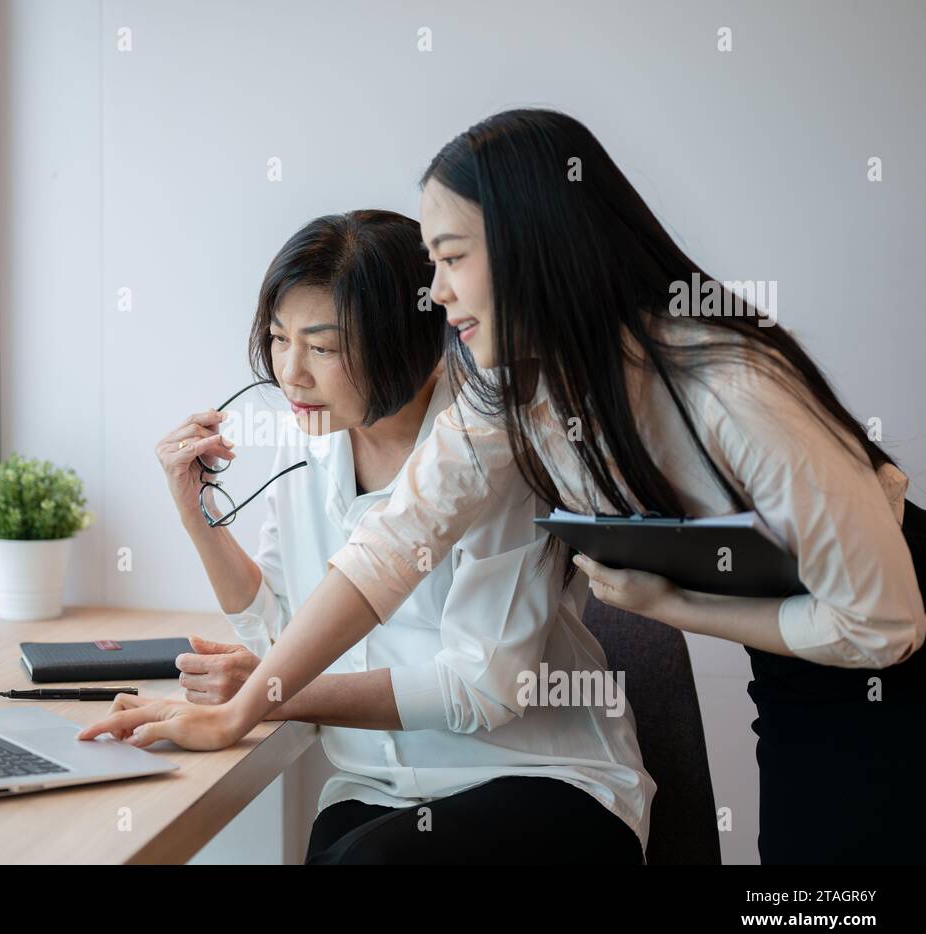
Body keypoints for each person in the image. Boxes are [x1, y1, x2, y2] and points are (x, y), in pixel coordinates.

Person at [80, 111, 925, 864]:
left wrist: (669, 605)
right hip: (791, 637)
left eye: (450, 259)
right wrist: (248, 702)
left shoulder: (732, 391)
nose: (436, 291)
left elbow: (881, 628)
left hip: (889, 621)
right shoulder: (511, 392)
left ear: (533, 251)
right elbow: (391, 548)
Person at [141, 210, 653, 863]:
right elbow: (279, 635)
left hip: (537, 778)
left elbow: (484, 686)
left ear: (411, 339)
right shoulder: (311, 437)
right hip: (376, 787)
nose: (290, 373)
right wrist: (197, 517)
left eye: (323, 347)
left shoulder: (493, 450)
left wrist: (270, 693)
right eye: (278, 338)